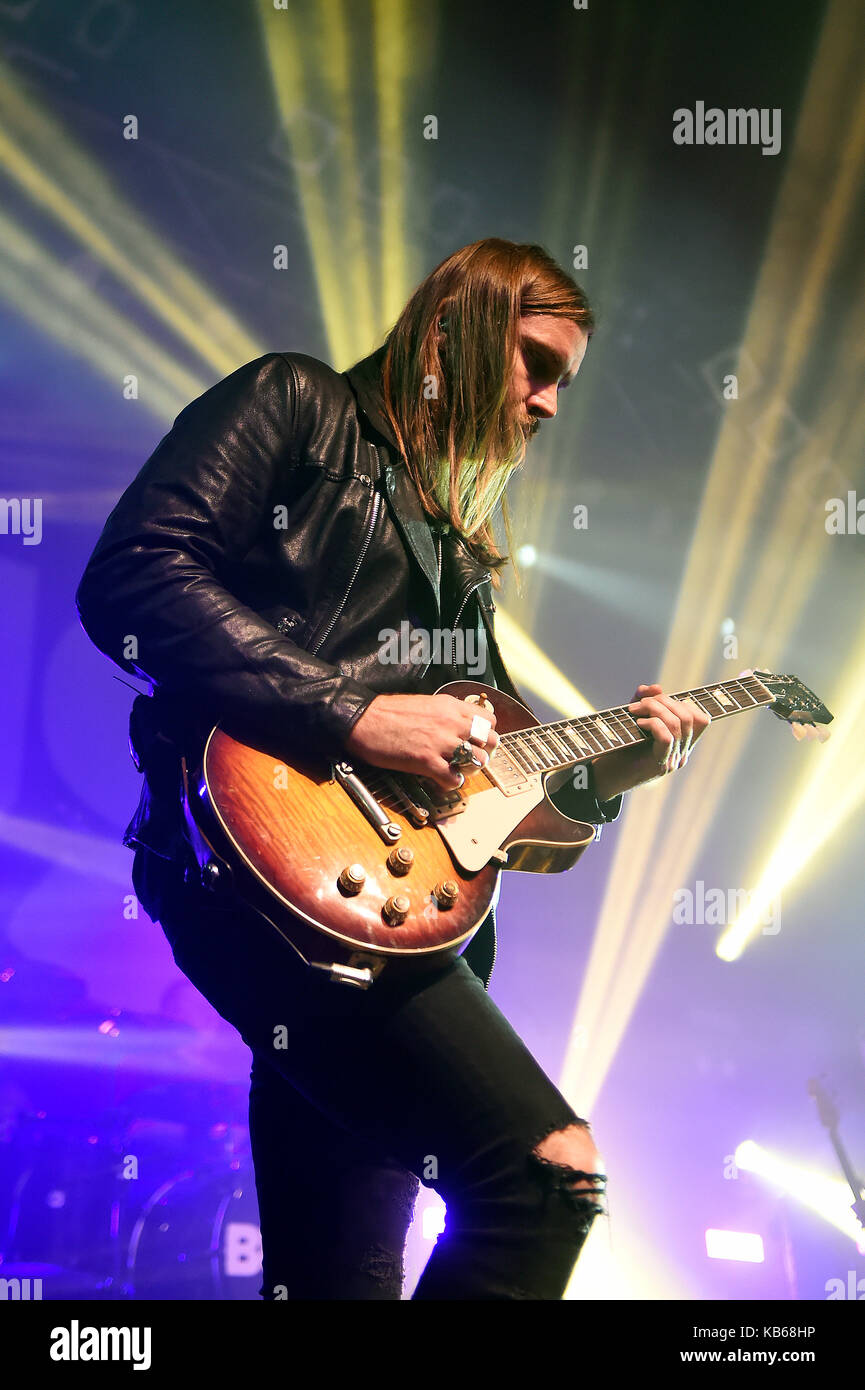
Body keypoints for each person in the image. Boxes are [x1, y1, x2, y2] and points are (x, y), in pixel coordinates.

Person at [75, 238, 709, 1300]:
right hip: (256, 868)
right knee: (544, 1176)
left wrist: (619, 771)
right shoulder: (296, 404)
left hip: (388, 915)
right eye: (537, 365)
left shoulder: (457, 552)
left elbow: (498, 784)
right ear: (454, 332)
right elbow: (134, 579)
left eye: (564, 381)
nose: (549, 405)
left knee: (340, 1283)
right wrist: (352, 714)